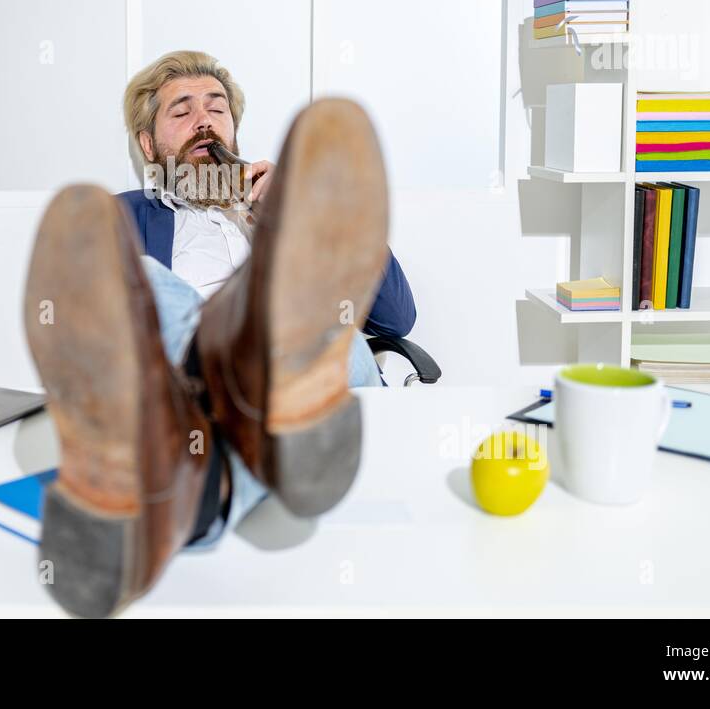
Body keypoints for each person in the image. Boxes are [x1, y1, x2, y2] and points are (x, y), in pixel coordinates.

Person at [23, 50, 416, 618]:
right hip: (184, 391)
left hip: (289, 373)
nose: (205, 120)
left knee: (339, 336)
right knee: (136, 277)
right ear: (150, 144)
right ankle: (223, 378)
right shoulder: (123, 216)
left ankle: (204, 490)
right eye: (181, 111)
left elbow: (396, 319)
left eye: (217, 109)